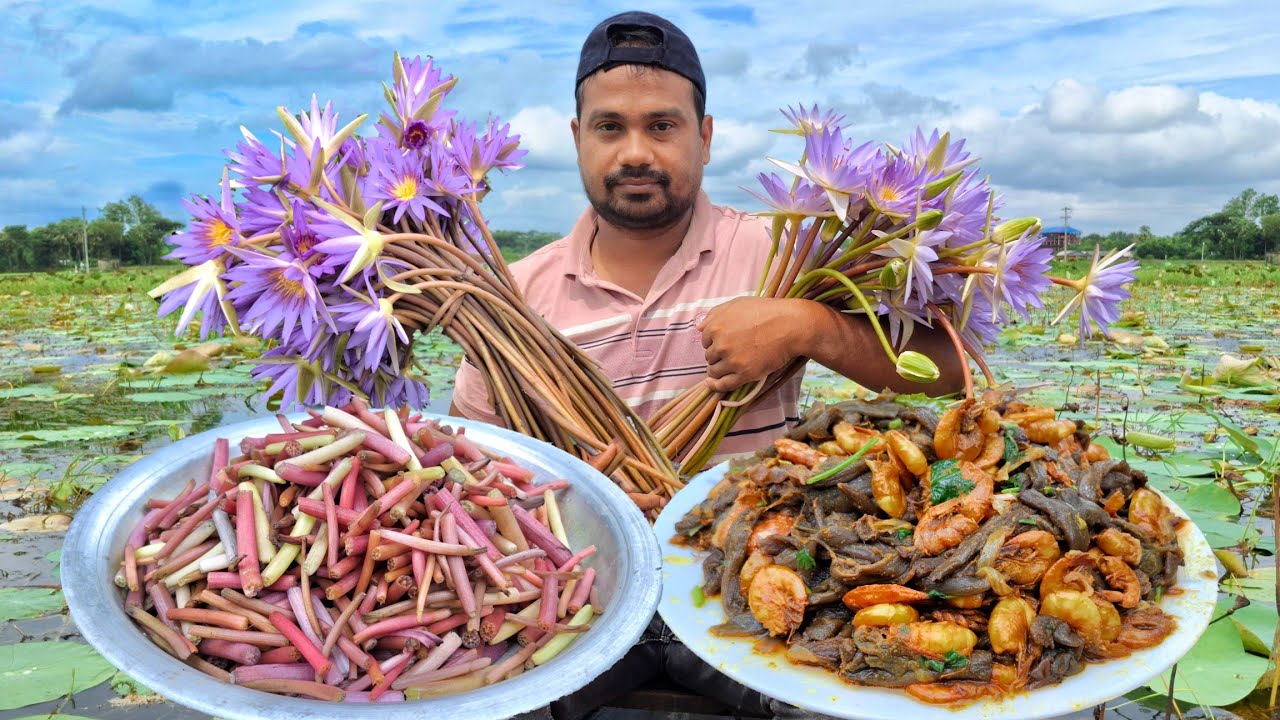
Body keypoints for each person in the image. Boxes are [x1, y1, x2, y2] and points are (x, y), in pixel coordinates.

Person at [450, 10, 965, 719]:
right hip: (580, 593)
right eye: (610, 127)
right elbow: (467, 475)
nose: (635, 151)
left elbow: (949, 370)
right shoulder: (513, 299)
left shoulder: (783, 255)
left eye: (662, 126)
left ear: (706, 135)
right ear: (577, 140)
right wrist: (583, 507)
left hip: (755, 576)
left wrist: (809, 324)